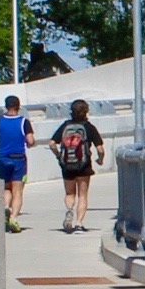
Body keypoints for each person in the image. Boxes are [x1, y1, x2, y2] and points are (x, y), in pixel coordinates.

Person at [49, 98, 106, 232]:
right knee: (82, 195)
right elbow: (100, 149)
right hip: (84, 165)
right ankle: (79, 224)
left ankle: (69, 210)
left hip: (67, 165)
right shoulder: (89, 127)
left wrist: (59, 155)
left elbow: (52, 143)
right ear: (86, 111)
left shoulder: (65, 126)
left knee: (70, 193)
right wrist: (100, 159)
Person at [0, 96, 33, 233]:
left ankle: (6, 206)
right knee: (17, 191)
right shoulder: (23, 122)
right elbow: (30, 141)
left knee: (7, 187)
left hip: (3, 158)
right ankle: (14, 218)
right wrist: (28, 144)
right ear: (19, 106)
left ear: (6, 106)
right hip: (18, 159)